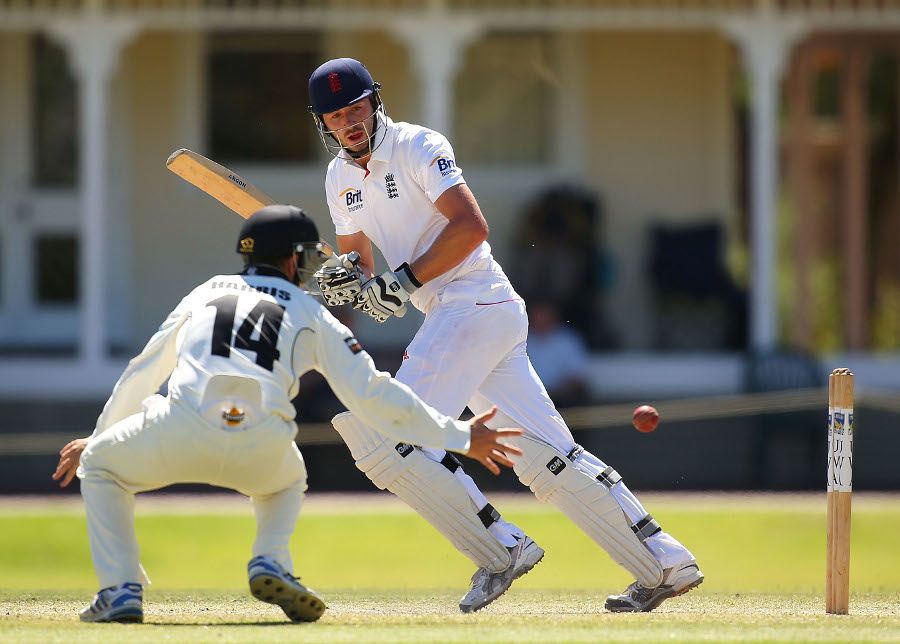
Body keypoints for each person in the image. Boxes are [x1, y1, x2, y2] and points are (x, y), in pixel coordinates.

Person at [308, 58, 704, 613]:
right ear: (323, 125)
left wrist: (404, 282)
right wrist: (350, 282)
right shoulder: (339, 178)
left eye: (355, 109)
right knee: (545, 456)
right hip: (459, 316)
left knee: (386, 434)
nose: (349, 123)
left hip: (472, 300)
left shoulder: (419, 145)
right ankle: (665, 563)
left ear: (375, 103)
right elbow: (358, 258)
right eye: (335, 116)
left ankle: (501, 550)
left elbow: (470, 228)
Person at [51, 205, 523, 624]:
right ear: (295, 259)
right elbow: (374, 395)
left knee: (102, 467)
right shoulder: (312, 314)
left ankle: (120, 590)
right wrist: (459, 435)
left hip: (179, 428)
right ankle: (270, 560)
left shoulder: (203, 294)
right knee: (286, 479)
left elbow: (143, 371)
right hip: (261, 443)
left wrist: (99, 438)